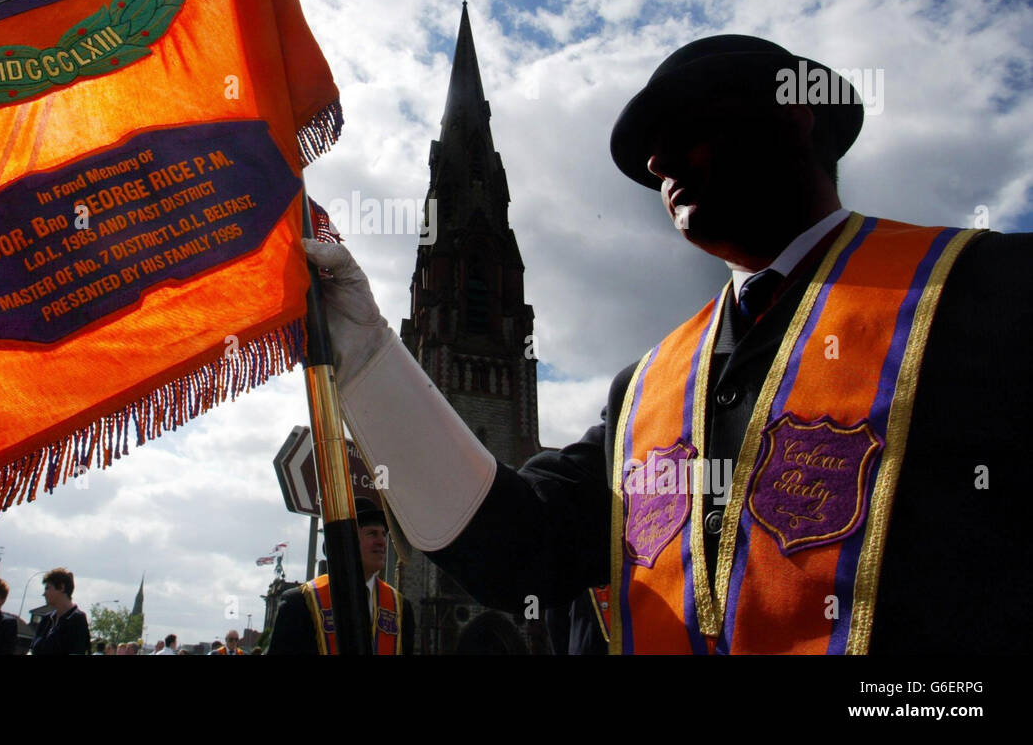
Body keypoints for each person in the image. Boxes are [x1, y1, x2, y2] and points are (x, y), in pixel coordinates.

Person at [302, 34, 1031, 654]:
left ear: (797, 117)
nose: (658, 163)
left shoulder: (990, 287)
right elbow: (517, 546)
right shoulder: (648, 391)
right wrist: (366, 356)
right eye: (652, 150)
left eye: (691, 128)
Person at [267, 497, 414, 655]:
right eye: (372, 534)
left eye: (384, 535)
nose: (382, 542)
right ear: (347, 541)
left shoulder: (400, 608)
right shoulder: (300, 603)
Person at [29, 568, 90, 655]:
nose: (44, 593)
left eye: (47, 588)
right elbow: (32, 650)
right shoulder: (46, 619)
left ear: (61, 587)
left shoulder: (77, 620)